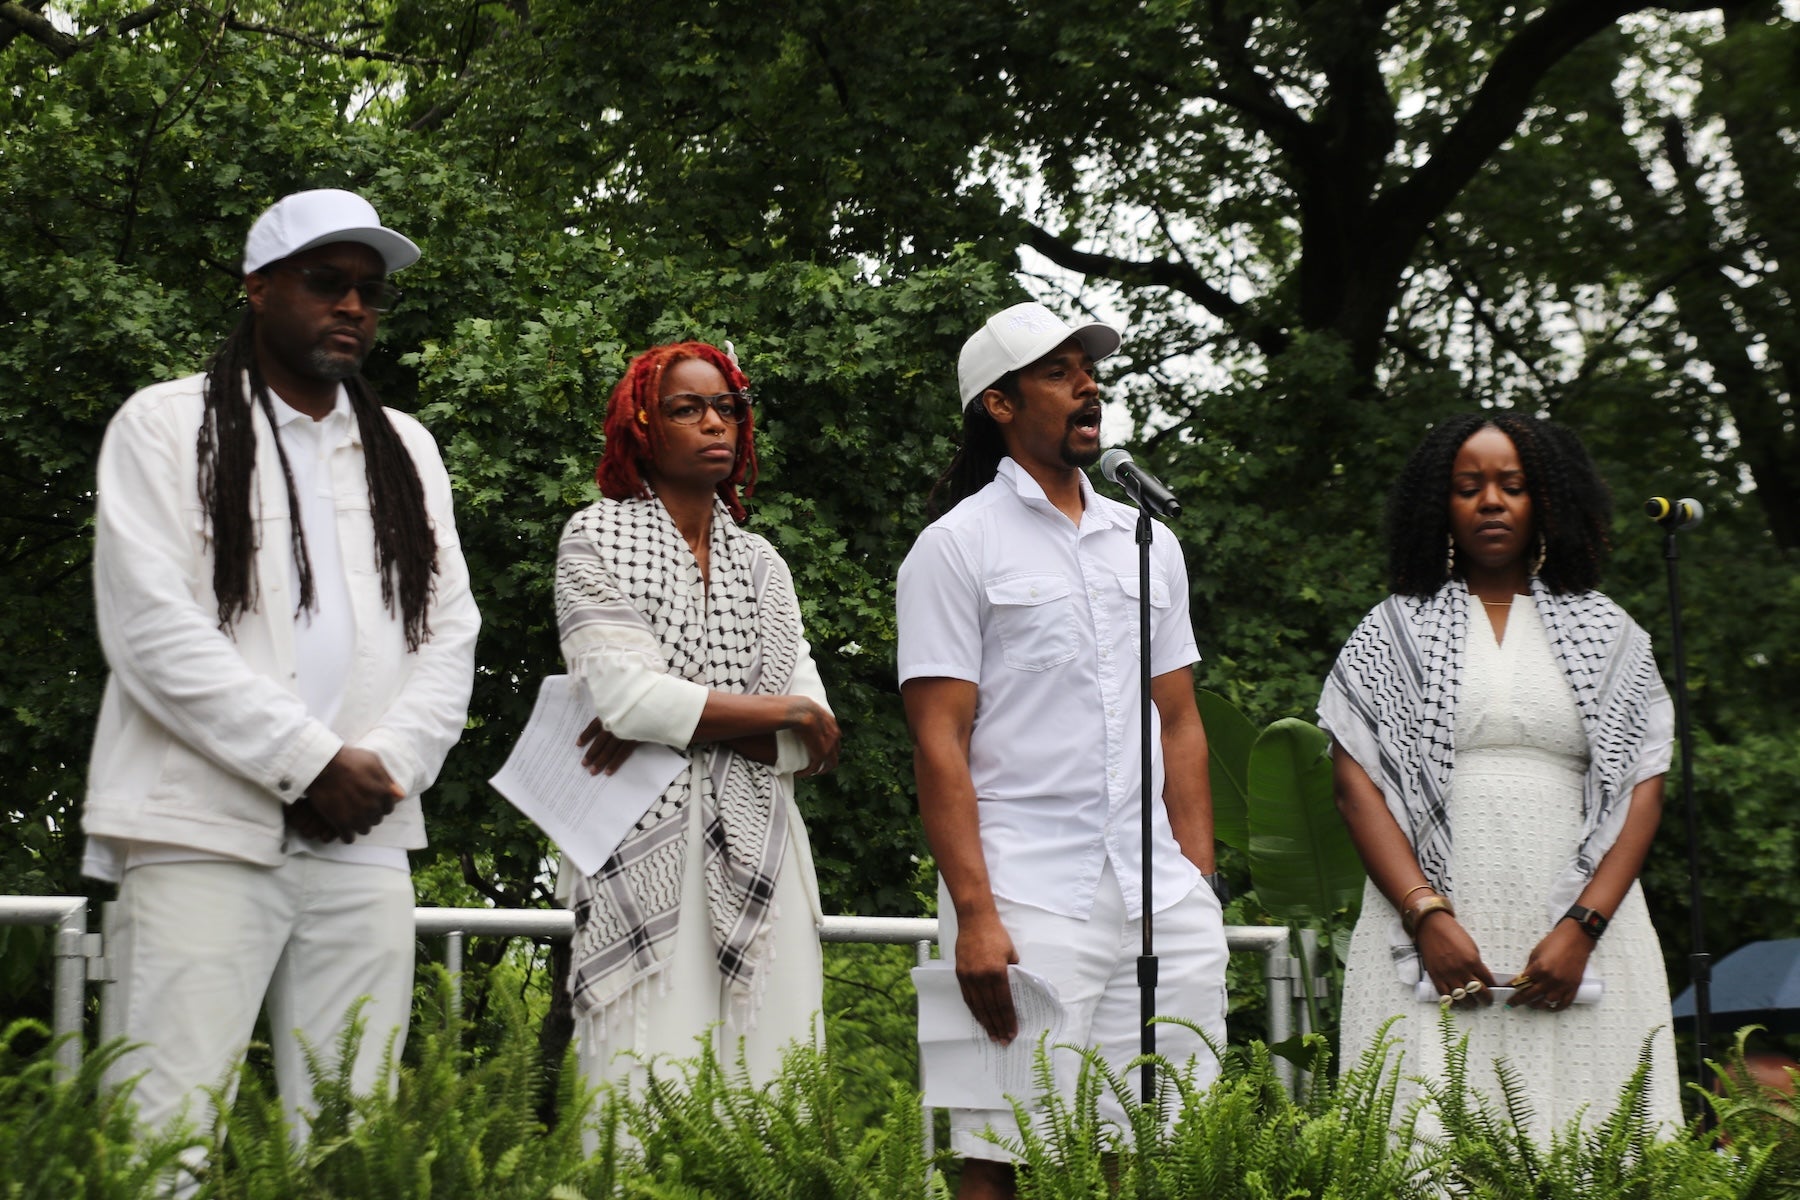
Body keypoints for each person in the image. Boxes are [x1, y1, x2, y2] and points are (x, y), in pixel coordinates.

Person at [83, 189, 480, 1149]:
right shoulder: (165, 425)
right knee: (159, 1135)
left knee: (351, 1141)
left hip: (366, 841)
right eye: (326, 282)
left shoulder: (408, 451)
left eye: (371, 292)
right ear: (257, 288)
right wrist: (309, 764)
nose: (353, 306)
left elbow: (451, 633)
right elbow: (151, 631)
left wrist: (376, 771)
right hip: (199, 831)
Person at [896, 302, 1228, 1199]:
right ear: (998, 405)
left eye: (1089, 367)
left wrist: (1194, 872)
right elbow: (939, 742)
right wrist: (975, 913)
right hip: (1024, 894)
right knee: (998, 1153)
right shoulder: (954, 549)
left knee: (1153, 1155)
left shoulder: (1146, 543)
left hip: (1158, 895)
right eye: (1059, 370)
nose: (1089, 383)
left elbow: (1180, 718)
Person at [1321, 412, 1682, 1137]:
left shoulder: (1610, 630)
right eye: (1469, 487)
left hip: (1588, 934)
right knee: (1430, 1146)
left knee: (1593, 1140)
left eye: (1512, 485)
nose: (1491, 501)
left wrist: (1583, 925)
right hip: (1432, 930)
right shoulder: (1393, 629)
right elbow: (1355, 782)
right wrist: (1426, 916)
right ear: (1439, 505)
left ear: (1545, 500)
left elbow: (1643, 787)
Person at [554, 341, 838, 1101]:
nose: (715, 423)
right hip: (638, 842)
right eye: (688, 408)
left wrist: (685, 714)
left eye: (727, 407)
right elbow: (624, 700)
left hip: (765, 851)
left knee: (773, 1097)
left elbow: (809, 745)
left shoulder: (764, 565)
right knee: (642, 1093)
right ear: (643, 425)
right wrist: (781, 710)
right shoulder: (595, 538)